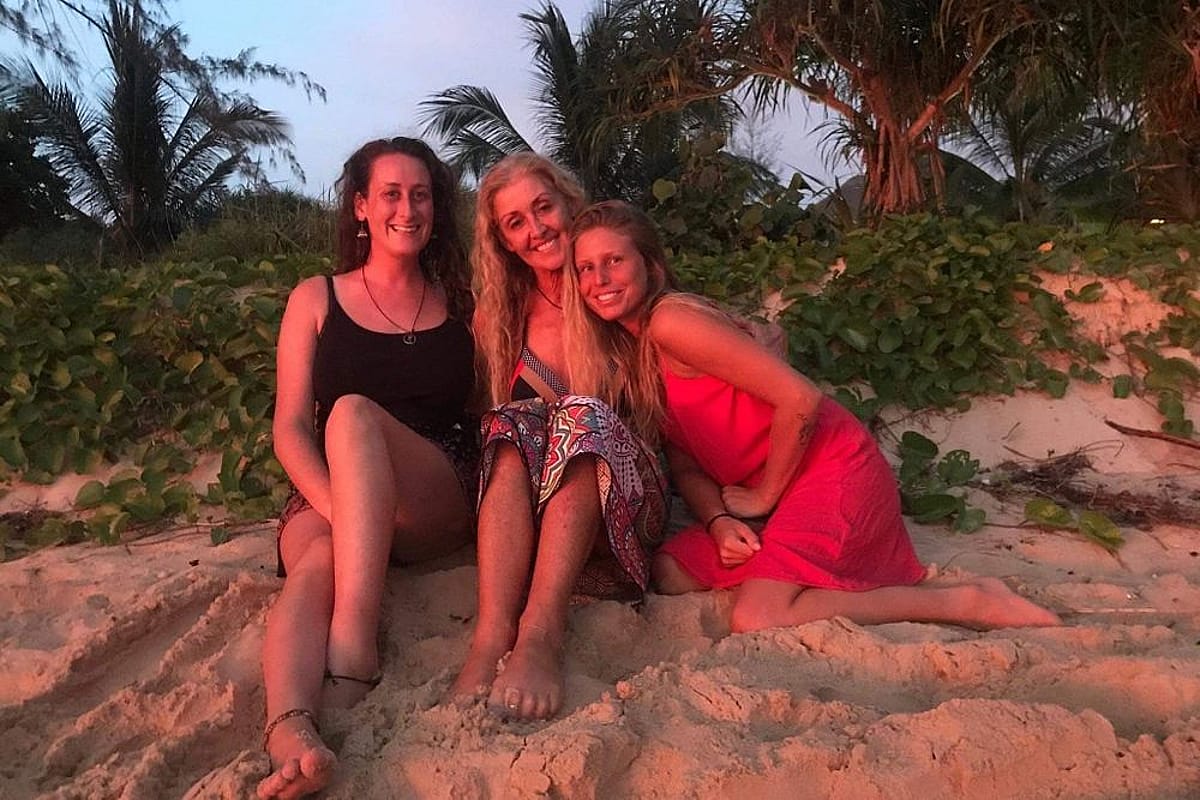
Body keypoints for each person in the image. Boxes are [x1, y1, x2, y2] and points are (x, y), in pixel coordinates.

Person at [563, 200, 1062, 633]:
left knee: (757, 617)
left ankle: (965, 601)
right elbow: (686, 462)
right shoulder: (631, 355)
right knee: (672, 572)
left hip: (830, 467)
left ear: (649, 265)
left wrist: (764, 497)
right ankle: (785, 563)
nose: (599, 279)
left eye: (613, 260)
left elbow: (800, 398)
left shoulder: (672, 321)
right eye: (585, 268)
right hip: (777, 486)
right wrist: (716, 520)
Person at [258, 137, 477, 799]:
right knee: (317, 564)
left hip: (434, 489)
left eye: (421, 194)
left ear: (436, 207)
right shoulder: (315, 298)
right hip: (332, 491)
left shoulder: (463, 300)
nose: (407, 208)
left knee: (351, 412)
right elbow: (291, 426)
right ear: (360, 207)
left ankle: (353, 655)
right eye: (390, 193)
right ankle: (289, 727)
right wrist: (341, 509)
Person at [449, 153, 668, 721]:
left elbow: (693, 334)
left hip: (622, 514)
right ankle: (492, 635)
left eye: (543, 207)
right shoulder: (500, 316)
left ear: (569, 203)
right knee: (508, 423)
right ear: (503, 241)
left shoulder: (609, 280)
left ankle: (541, 632)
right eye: (515, 222)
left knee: (580, 414)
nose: (536, 228)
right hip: (540, 529)